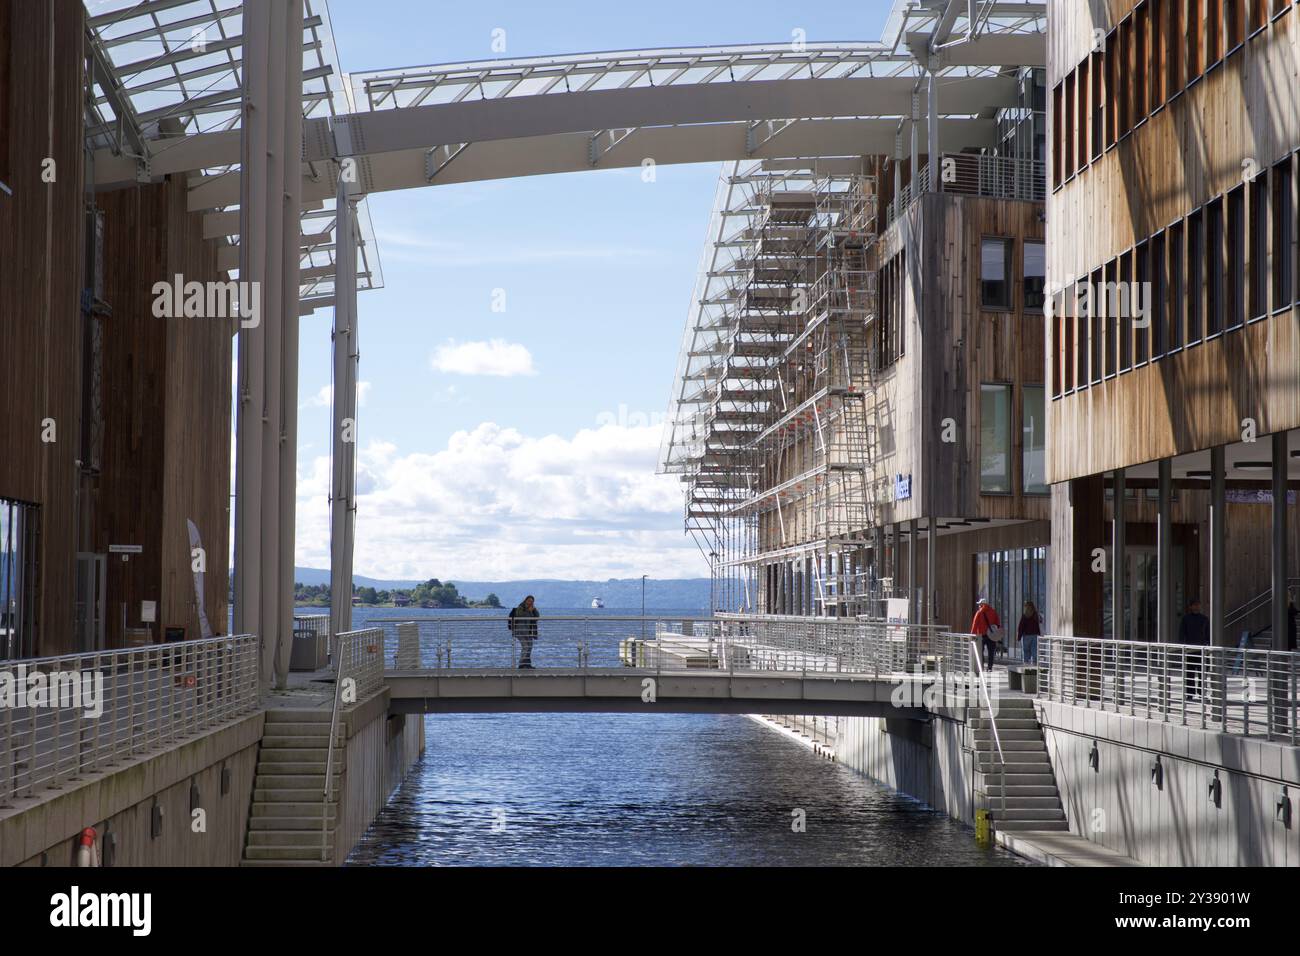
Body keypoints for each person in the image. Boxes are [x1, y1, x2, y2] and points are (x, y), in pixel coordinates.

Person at [1178, 598, 1210, 700]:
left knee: (1202, 673)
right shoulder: (1186, 618)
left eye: (1198, 605)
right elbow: (1182, 633)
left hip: (1202, 649)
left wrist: (1208, 645)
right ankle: (1190, 693)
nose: (1197, 607)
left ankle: (1201, 693)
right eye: (1195, 605)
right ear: (1190, 607)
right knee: (1190, 672)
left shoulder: (1204, 619)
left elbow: (1208, 633)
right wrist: (1182, 646)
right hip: (1190, 649)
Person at [508, 595, 539, 669]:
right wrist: (528, 610)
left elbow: (537, 617)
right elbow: (519, 615)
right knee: (525, 646)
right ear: (525, 600)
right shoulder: (520, 607)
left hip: (528, 631)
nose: (530, 602)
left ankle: (527, 664)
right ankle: (521, 664)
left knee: (530, 646)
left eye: (532, 601)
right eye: (529, 600)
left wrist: (534, 610)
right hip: (519, 631)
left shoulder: (532, 609)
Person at [970, 598, 1001, 672]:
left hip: (981, 635)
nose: (979, 606)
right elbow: (998, 624)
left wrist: (972, 635)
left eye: (980, 604)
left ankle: (981, 666)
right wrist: (996, 632)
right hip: (991, 635)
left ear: (982, 604)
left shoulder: (979, 613)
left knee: (980, 651)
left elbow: (975, 625)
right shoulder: (993, 612)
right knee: (991, 652)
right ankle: (990, 667)